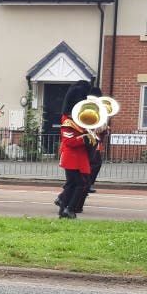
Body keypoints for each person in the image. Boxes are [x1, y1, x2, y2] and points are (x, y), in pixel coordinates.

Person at [55, 80, 92, 219]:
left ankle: (66, 209)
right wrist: (84, 139)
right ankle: (68, 208)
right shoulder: (68, 121)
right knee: (79, 184)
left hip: (80, 156)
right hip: (72, 157)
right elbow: (69, 141)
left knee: (76, 184)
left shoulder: (78, 120)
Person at [86, 86, 106, 193]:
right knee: (93, 163)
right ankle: (86, 184)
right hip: (89, 138)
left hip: (95, 139)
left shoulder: (98, 109)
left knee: (96, 163)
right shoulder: (87, 108)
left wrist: (104, 128)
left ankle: (89, 183)